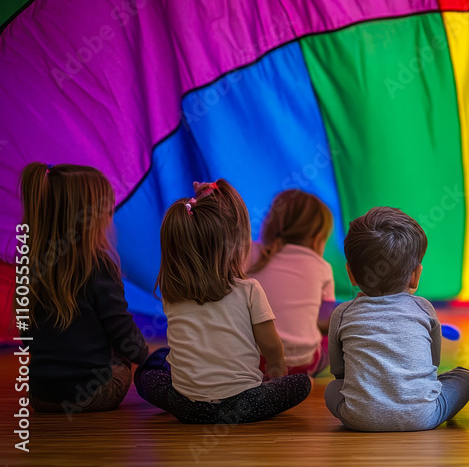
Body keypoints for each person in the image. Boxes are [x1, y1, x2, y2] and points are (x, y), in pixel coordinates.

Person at [134, 180, 311, 424]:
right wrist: (276, 371)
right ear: (231, 246)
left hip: (188, 408)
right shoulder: (249, 289)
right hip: (242, 404)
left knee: (150, 370)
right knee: (302, 383)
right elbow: (271, 345)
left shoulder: (171, 293)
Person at [324, 207, 469, 431]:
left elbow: (339, 372)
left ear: (350, 274)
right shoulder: (424, 308)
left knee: (332, 388)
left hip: (359, 419)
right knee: (466, 376)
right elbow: (432, 365)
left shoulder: (342, 313)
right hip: (424, 417)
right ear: (415, 276)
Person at [21, 163, 149, 414]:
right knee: (122, 360)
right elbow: (123, 335)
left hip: (39, 397)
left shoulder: (30, 266)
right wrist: (153, 361)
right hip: (92, 395)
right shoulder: (99, 265)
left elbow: (27, 337)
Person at [250, 190, 336, 377]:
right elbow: (323, 317)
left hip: (253, 363)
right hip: (300, 366)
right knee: (333, 339)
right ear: (318, 239)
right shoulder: (322, 267)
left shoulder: (250, 253)